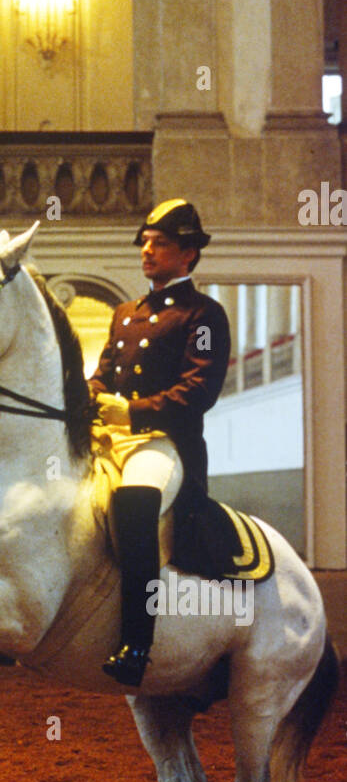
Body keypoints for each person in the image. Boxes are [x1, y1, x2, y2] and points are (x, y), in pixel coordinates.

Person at [88, 199, 231, 686]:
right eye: (145, 243)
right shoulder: (125, 314)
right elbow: (103, 376)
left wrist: (131, 410)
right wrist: (85, 396)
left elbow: (199, 391)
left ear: (187, 255)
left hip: (161, 443)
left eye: (161, 244)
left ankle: (136, 643)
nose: (147, 252)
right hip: (111, 437)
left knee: (133, 505)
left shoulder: (204, 316)